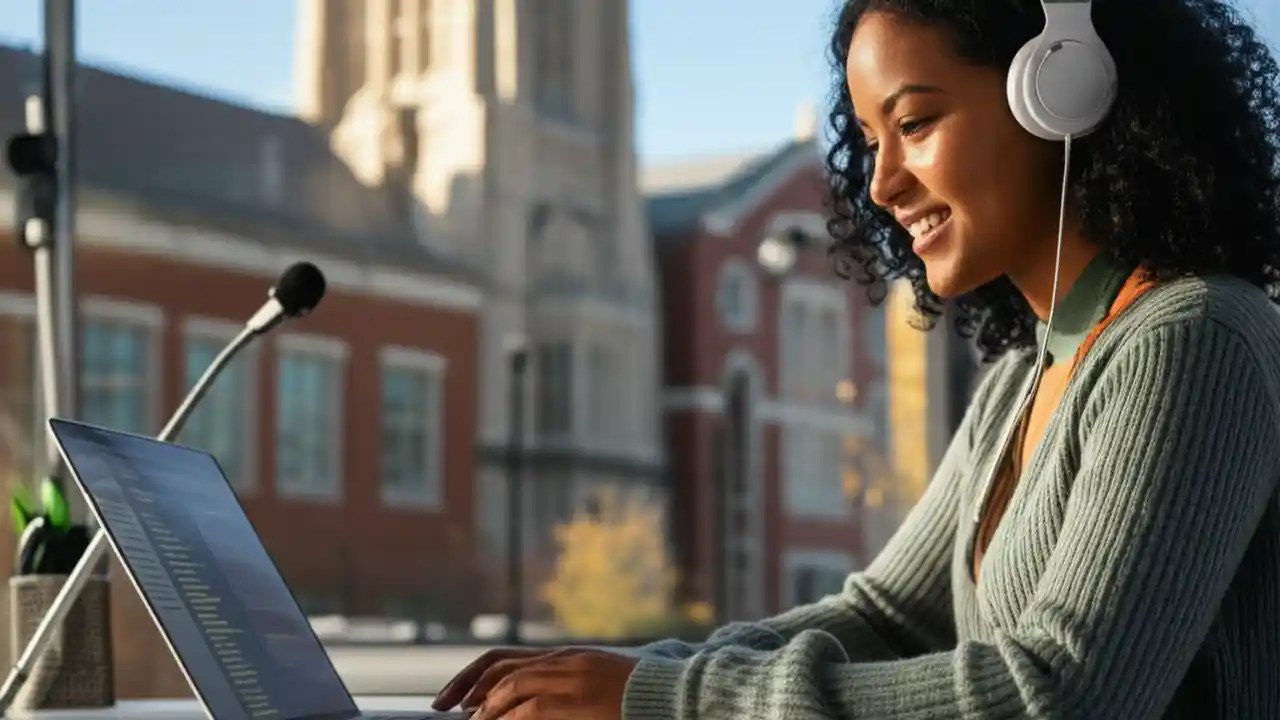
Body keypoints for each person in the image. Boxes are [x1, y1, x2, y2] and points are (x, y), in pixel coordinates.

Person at [432, 0, 1280, 717]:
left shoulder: (1194, 338)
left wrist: (664, 698)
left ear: (1063, 92)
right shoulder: (1021, 380)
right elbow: (887, 616)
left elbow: (1056, 694)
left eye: (913, 124)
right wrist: (602, 673)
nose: (880, 185)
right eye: (871, 141)